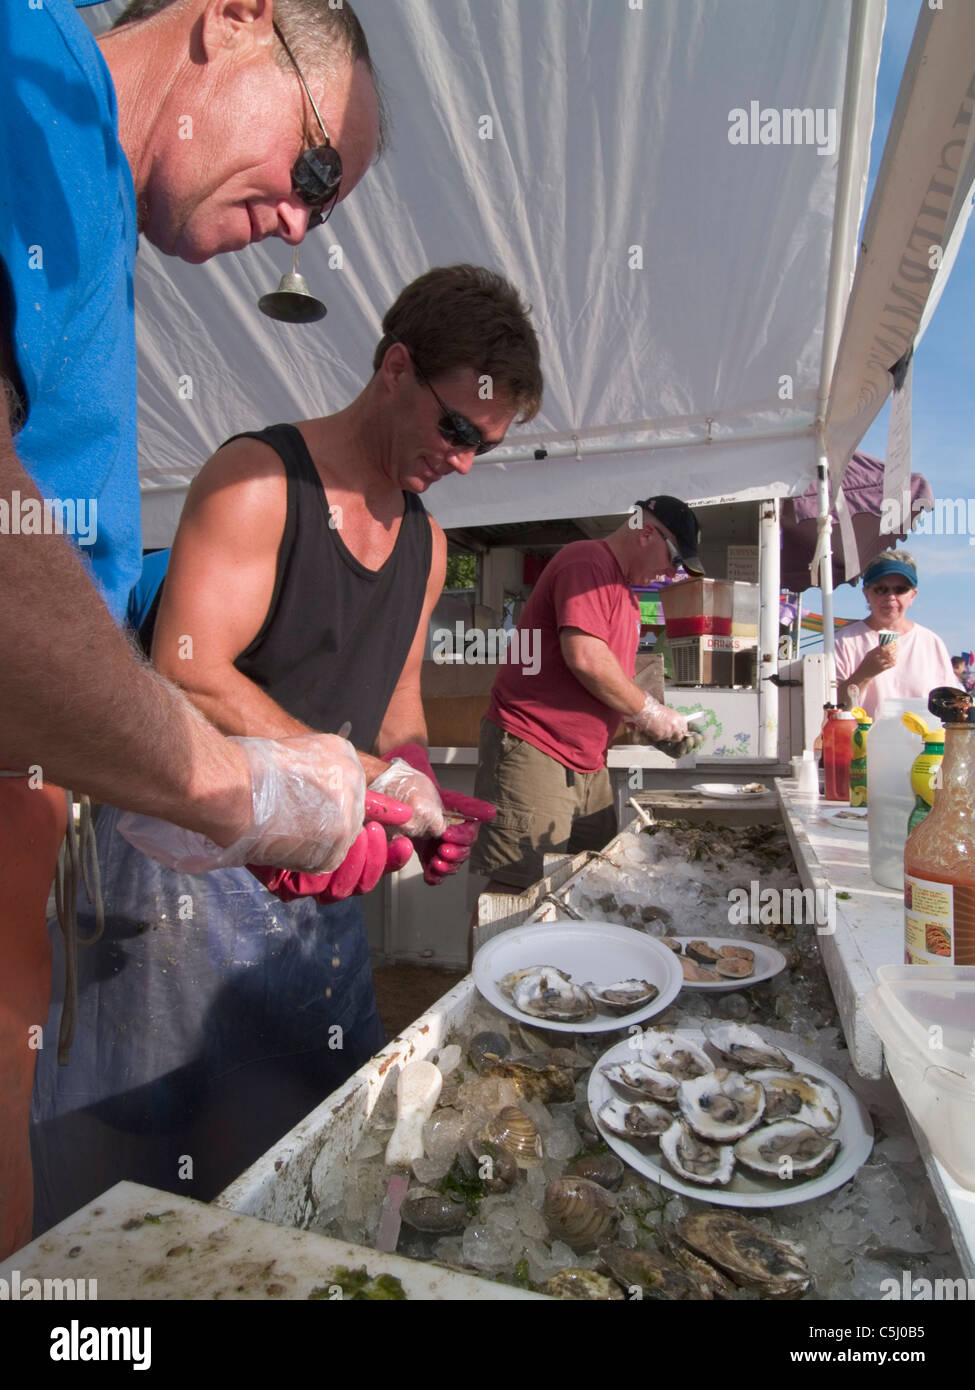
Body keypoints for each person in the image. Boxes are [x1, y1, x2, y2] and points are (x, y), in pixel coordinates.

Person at [31, 265, 543, 1229]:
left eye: (488, 446)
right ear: (397, 367)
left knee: (314, 1139)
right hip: (190, 864)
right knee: (153, 1165)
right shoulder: (259, 479)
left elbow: (395, 694)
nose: (467, 461)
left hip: (321, 873)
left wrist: (413, 779)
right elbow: (189, 671)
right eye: (458, 430)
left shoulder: (428, 545)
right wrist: (353, 779)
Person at [1, 0, 382, 1256]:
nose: (297, 225)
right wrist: (230, 781)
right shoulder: (34, 78)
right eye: (313, 169)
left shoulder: (94, 210)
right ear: (234, 18)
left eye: (320, 216)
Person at [469, 497, 705, 894]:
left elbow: (609, 683)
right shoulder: (587, 562)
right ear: (647, 532)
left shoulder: (626, 596)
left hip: (586, 762)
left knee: (587, 881)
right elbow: (586, 657)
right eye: (676, 558)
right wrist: (649, 711)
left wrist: (648, 727)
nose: (672, 571)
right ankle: (494, 959)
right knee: (516, 888)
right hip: (534, 746)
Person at [835, 550, 962, 719]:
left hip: (923, 744)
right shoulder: (844, 641)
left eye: (900, 589)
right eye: (881, 589)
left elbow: (949, 708)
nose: (891, 597)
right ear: (866, 593)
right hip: (864, 744)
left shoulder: (931, 642)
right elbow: (832, 708)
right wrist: (864, 674)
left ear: (912, 595)